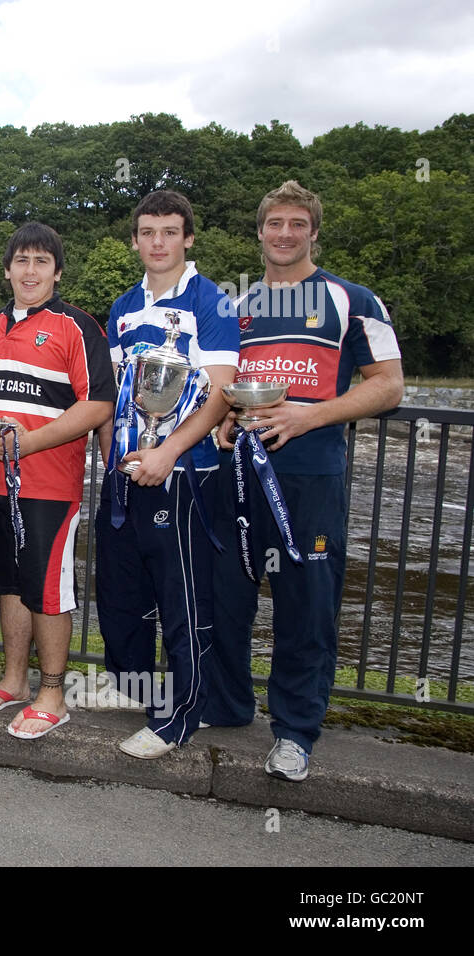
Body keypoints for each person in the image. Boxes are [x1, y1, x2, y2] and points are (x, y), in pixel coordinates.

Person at [202, 180, 403, 781]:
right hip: (237, 471)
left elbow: (389, 385)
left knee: (306, 605)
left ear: (313, 231)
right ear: (259, 231)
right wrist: (222, 420)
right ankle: (227, 706)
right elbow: (223, 380)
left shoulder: (353, 298)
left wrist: (309, 414)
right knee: (225, 596)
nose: (284, 234)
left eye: (297, 224)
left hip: (311, 475)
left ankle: (295, 732)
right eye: (274, 223)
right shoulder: (232, 303)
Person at [92, 190, 239, 759]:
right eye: (148, 232)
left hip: (184, 473)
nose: (158, 242)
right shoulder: (124, 304)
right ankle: (134, 687)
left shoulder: (214, 302)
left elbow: (222, 390)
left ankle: (181, 716)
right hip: (126, 469)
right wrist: (113, 461)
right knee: (122, 592)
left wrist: (169, 453)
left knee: (183, 598)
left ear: (188, 238)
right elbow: (109, 395)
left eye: (170, 231)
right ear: (135, 239)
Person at [0, 222, 115, 739]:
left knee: (49, 590)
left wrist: (28, 442)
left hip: (50, 485)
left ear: (56, 271)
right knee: (11, 583)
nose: (30, 271)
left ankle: (54, 692)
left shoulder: (77, 327)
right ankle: (14, 681)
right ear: (7, 269)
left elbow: (97, 404)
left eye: (41, 262)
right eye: (21, 261)